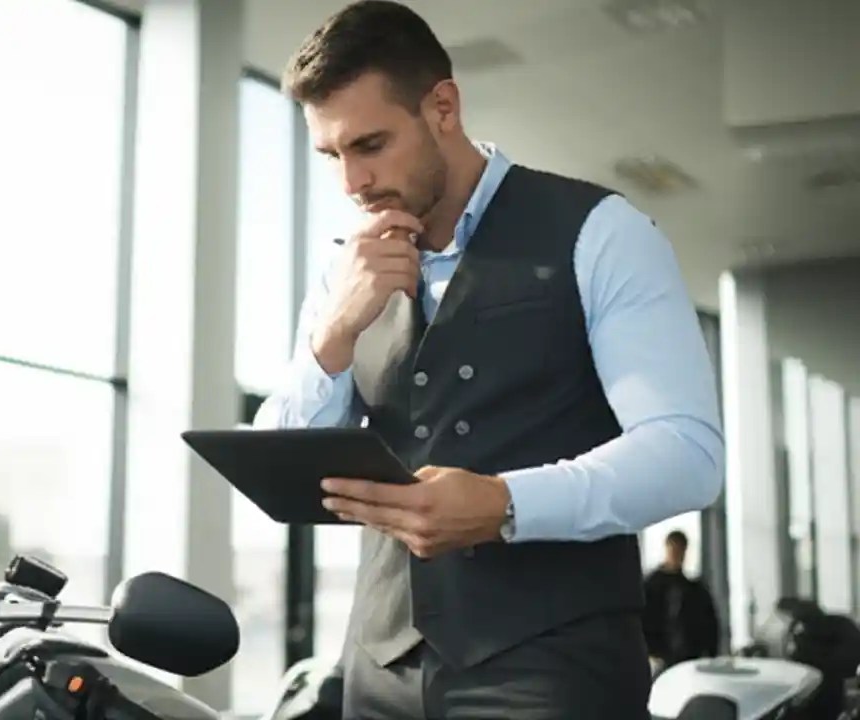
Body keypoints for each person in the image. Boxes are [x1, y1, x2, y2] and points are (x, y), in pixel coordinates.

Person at [252, 1, 725, 717]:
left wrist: (505, 504)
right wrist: (336, 332)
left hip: (552, 669)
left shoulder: (600, 234)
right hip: (377, 671)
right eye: (331, 155)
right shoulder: (340, 275)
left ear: (443, 105)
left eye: (370, 144)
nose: (352, 182)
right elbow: (280, 466)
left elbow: (688, 454)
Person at [643, 531, 721, 671]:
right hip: (659, 657)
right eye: (674, 550)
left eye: (680, 551)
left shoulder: (694, 590)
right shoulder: (650, 586)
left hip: (686, 657)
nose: (677, 555)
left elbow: (709, 624)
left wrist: (710, 654)